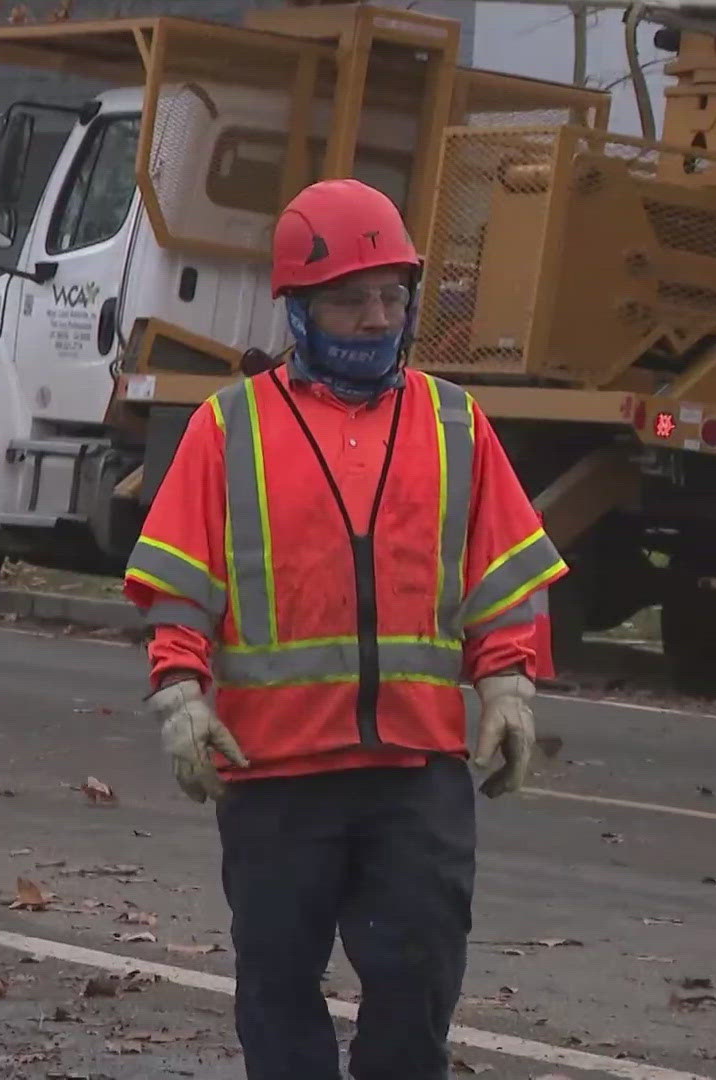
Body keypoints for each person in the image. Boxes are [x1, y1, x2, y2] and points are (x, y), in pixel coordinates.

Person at [121, 178, 567, 1079]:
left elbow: (504, 577)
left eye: (391, 297)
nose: (375, 318)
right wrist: (180, 696)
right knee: (278, 993)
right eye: (350, 299)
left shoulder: (455, 424)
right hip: (277, 777)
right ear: (299, 310)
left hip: (415, 776)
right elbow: (176, 585)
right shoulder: (229, 428)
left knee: (419, 983)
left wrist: (509, 684)